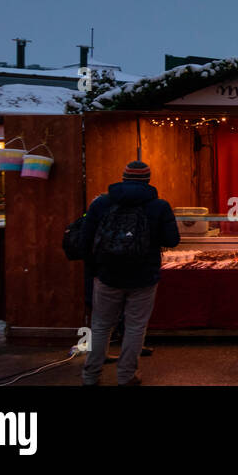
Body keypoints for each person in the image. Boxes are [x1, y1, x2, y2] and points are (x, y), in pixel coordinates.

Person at [80, 161, 179, 386]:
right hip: (144, 276)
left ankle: (90, 375)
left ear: (123, 178)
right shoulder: (159, 206)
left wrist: (95, 268)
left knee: (101, 325)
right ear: (147, 180)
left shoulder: (101, 203)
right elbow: (172, 240)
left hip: (107, 275)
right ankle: (126, 376)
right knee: (135, 327)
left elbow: (85, 239)